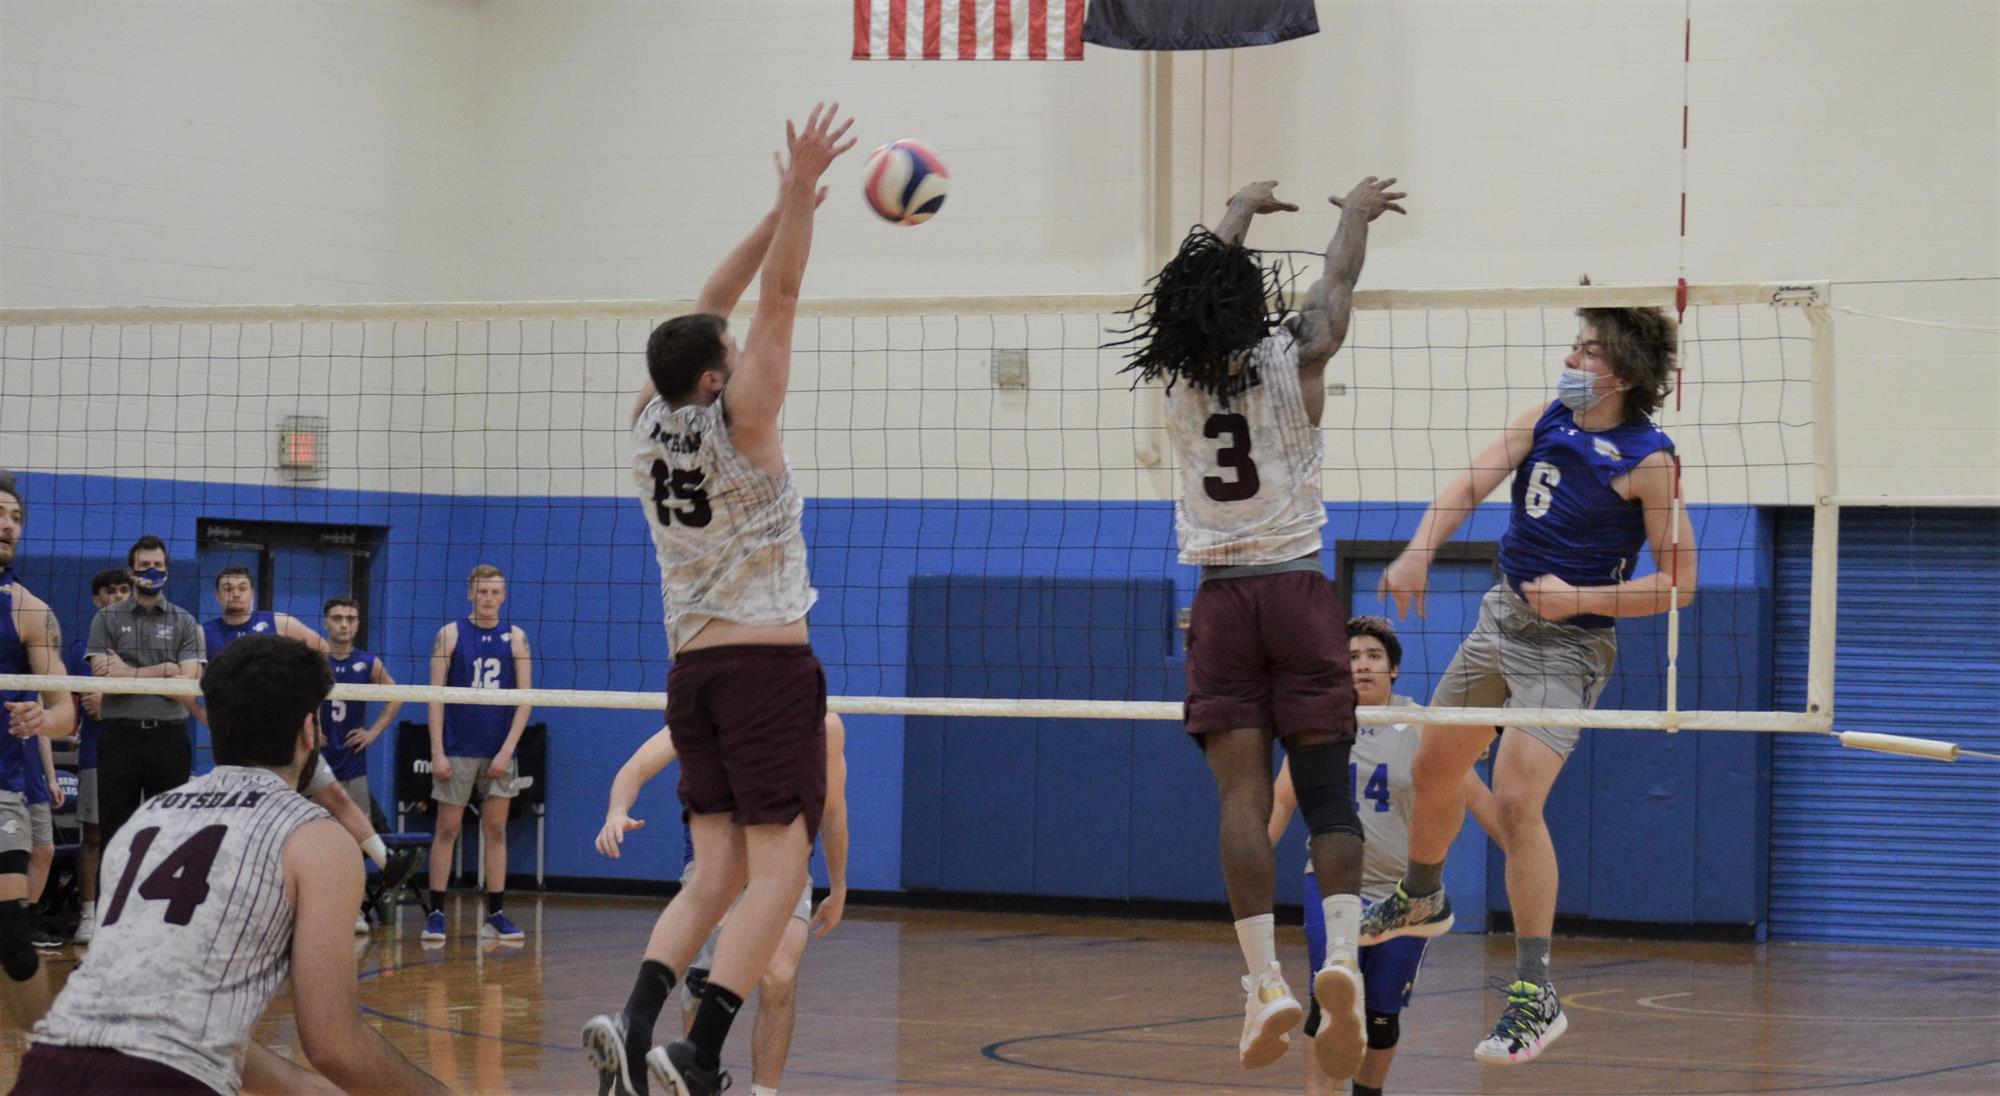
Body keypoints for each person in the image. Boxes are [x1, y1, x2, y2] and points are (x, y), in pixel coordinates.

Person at [582, 102, 853, 1096]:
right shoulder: (745, 417)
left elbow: (711, 304)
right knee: (779, 871)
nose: (741, 353)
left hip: (690, 667)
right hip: (766, 666)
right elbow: (774, 296)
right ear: (714, 375)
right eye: (726, 356)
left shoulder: (650, 419)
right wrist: (797, 214)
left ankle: (635, 1015)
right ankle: (697, 1054)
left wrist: (784, 199)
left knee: (714, 872)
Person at [1107, 176, 1405, 1078]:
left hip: (1223, 599)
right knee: (1326, 796)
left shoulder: (1174, 374)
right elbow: (1336, 285)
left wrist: (1233, 211)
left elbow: (1189, 289)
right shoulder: (1296, 354)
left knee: (1242, 800)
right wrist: (1349, 214)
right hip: (1301, 590)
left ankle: (1266, 983)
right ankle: (1343, 961)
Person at [1361, 304, 1696, 1065]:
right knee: (1432, 768)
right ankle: (1422, 893)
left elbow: (1679, 584)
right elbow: (1472, 482)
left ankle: (1534, 994)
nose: (1571, 360)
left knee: (1514, 803)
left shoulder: (1650, 461)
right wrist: (1418, 549)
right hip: (1499, 620)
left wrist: (1581, 599)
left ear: (1626, 374)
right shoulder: (1546, 415)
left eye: (1588, 351)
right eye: (1574, 345)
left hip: (1568, 648)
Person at [17, 635, 449, 1094]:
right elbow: (333, 1046)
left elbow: (172, 1023)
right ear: (309, 731)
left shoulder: (150, 816)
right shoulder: (317, 836)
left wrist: (306, 1088)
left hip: (45, 1068)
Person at [1270, 616, 1503, 1096]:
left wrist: (1519, 848)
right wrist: (1247, 866)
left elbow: (1477, 798)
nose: (1362, 666)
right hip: (1332, 885)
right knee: (1329, 999)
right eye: (1352, 657)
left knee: (1380, 1013)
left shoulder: (1422, 724)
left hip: (1405, 898)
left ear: (1393, 668)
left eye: (1373, 656)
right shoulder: (1320, 727)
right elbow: (1280, 801)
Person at [595, 715, 850, 1096]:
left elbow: (832, 811)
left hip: (784, 863)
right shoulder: (713, 706)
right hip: (714, 865)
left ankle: (764, 1092)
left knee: (779, 975)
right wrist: (616, 811)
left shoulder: (821, 723)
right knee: (702, 987)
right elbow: (634, 767)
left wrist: (840, 884)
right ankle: (689, 1068)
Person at [202, 570, 419, 933]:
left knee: (338, 803)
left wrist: (311, 717)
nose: (236, 595)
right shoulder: (207, 634)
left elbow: (317, 651)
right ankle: (246, 903)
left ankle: (385, 867)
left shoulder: (279, 625)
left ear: (253, 593)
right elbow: (193, 683)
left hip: (295, 744)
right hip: (249, 752)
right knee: (267, 827)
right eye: (228, 589)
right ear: (217, 595)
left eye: (242, 588)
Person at [423, 563, 533, 944]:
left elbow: (526, 701)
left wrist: (507, 751)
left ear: (504, 596)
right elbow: (434, 698)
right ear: (470, 594)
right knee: (447, 829)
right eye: (481, 592)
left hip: (498, 750)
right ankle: (435, 913)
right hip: (457, 748)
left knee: (496, 830)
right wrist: (437, 751)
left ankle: (496, 913)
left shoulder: (516, 638)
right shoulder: (450, 635)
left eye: (495, 592)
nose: (488, 598)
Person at [0, 473, 76, 1022]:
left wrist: (41, 716)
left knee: (13, 947)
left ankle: (41, 1066)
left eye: (16, 518)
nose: (7, 525)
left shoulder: (28, 609)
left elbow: (67, 710)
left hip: (1, 787)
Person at [87, 535, 204, 857]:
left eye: (158, 566)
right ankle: (111, 908)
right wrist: (164, 669)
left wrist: (129, 672)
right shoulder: (106, 618)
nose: (151, 571)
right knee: (114, 836)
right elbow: (104, 677)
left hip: (169, 738)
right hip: (119, 738)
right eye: (144, 566)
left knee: (168, 836)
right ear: (131, 572)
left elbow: (187, 682)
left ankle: (163, 908)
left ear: (167, 571)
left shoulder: (184, 621)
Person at [64, 569, 128, 944]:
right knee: (94, 835)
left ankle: (127, 915)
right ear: (96, 598)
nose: (117, 595)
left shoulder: (147, 642)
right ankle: (88, 914)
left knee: (137, 836)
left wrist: (115, 700)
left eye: (123, 589)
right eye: (109, 590)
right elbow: (86, 703)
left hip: (139, 749)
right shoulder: (79, 648)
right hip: (97, 753)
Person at [319, 596, 403, 822]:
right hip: (318, 761)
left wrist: (373, 732)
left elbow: (397, 696)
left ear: (357, 624)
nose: (344, 624)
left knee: (357, 832)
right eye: (337, 619)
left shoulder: (368, 662)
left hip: (353, 761)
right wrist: (309, 727)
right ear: (326, 623)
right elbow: (294, 701)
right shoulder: (315, 661)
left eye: (350, 619)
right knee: (316, 830)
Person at [19, 734, 61, 950]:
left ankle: (27, 920)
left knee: (44, 850)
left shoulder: (36, 698)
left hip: (33, 780)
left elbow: (44, 732)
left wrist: (52, 779)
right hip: (6, 779)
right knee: (9, 854)